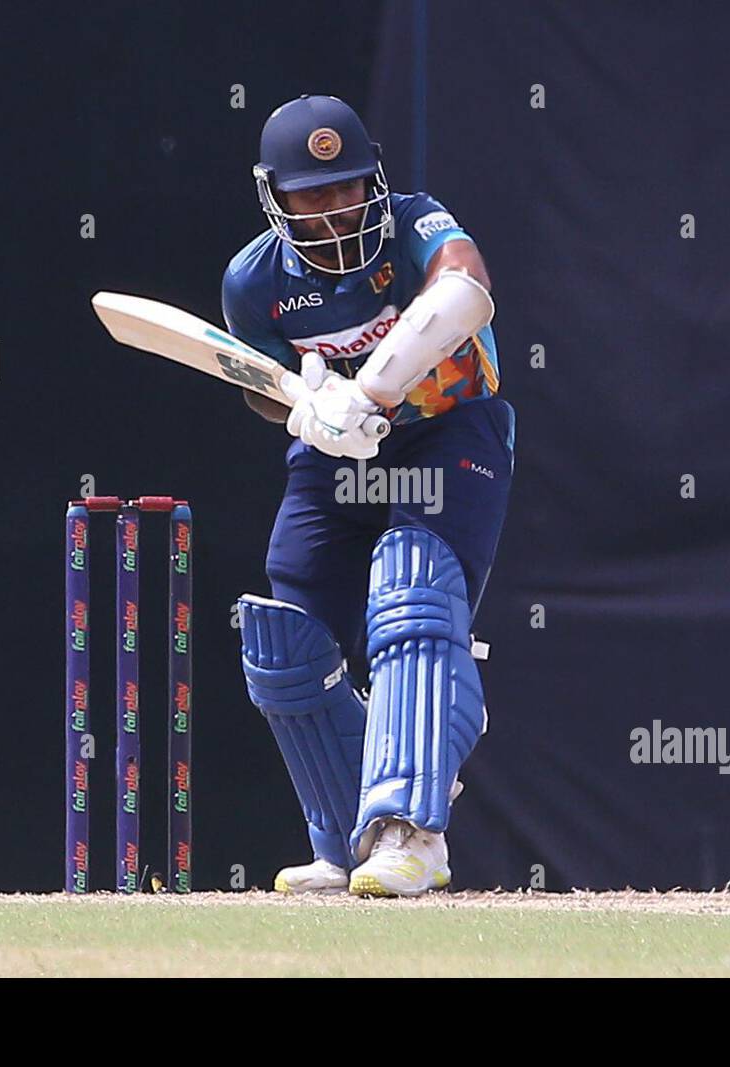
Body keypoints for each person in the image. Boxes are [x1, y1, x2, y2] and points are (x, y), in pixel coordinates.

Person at [222, 94, 514, 897]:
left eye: (348, 186)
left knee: (412, 587)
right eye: (312, 194)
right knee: (286, 631)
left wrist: (373, 387)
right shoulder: (254, 281)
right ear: (275, 197)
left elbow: (466, 292)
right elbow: (257, 381)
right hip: (336, 450)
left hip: (452, 433)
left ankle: (412, 831)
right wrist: (305, 406)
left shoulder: (416, 226)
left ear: (374, 180)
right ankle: (344, 836)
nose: (336, 207)